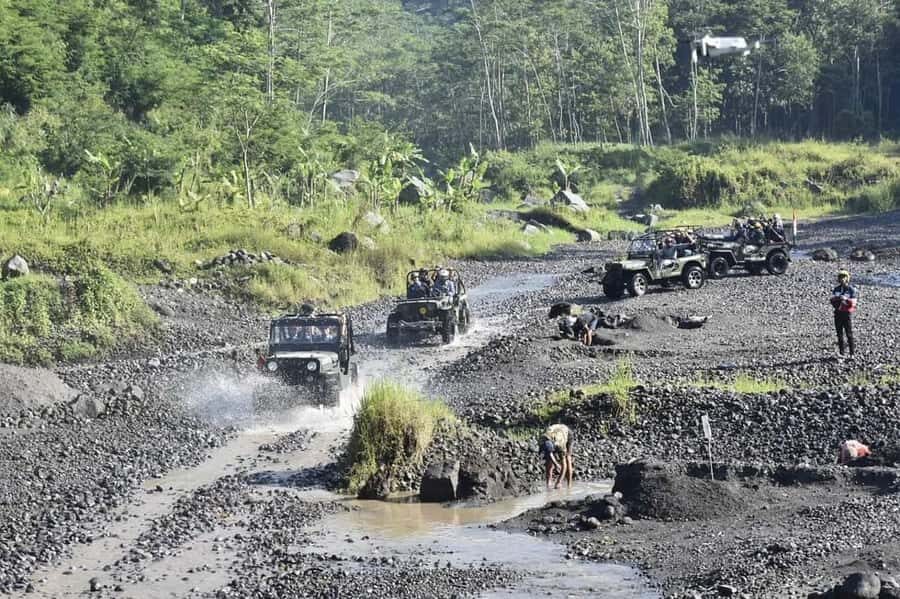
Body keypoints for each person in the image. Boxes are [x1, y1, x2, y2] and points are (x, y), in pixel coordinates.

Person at [830, 269, 858, 357]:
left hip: (846, 314)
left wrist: (845, 300)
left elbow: (853, 303)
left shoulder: (851, 289)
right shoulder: (836, 289)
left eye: (844, 277)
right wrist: (839, 299)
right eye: (840, 277)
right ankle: (841, 353)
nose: (842, 279)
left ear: (847, 278)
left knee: (849, 333)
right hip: (838, 313)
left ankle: (852, 353)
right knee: (839, 334)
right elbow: (833, 301)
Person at [538, 423, 574, 489]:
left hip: (566, 433)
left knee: (567, 459)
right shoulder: (542, 440)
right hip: (554, 435)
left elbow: (564, 464)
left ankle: (569, 485)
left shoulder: (560, 443)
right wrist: (556, 464)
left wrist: (559, 481)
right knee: (549, 460)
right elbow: (549, 454)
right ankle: (548, 483)